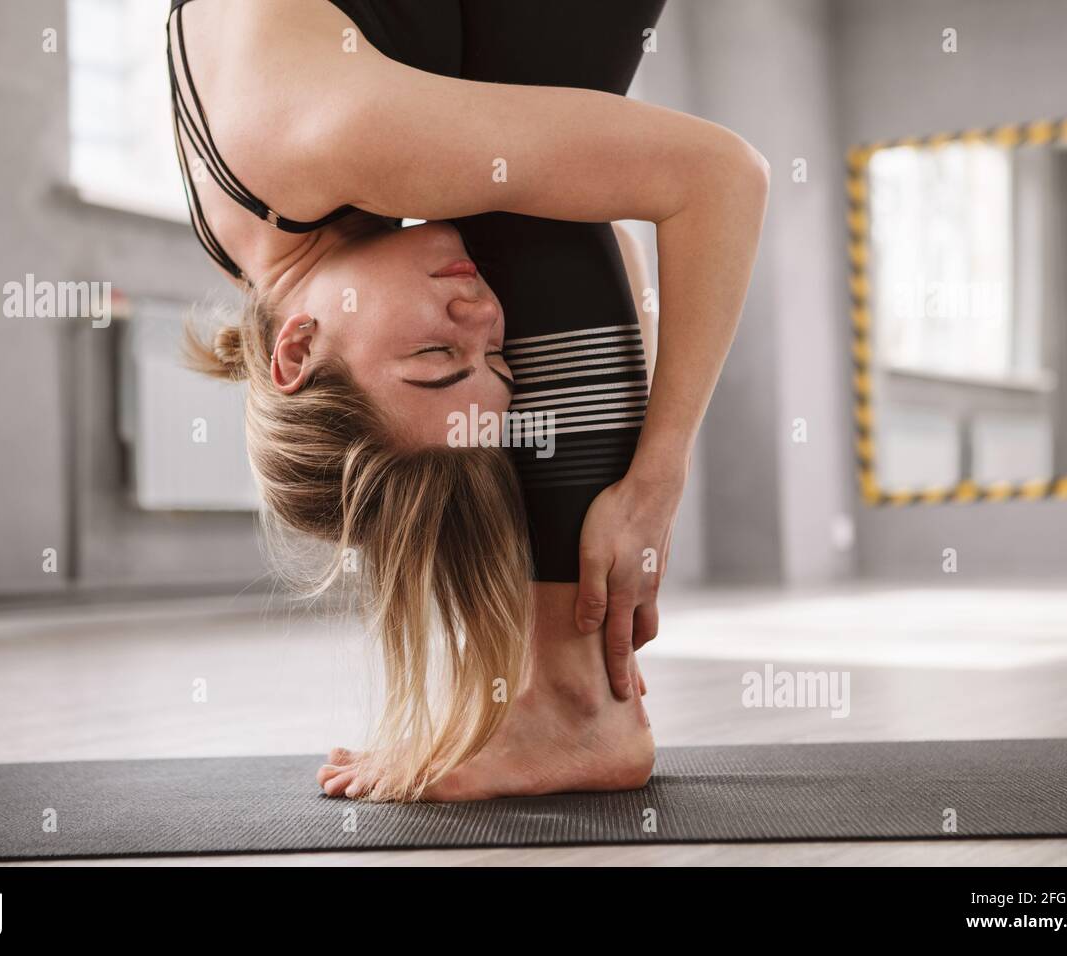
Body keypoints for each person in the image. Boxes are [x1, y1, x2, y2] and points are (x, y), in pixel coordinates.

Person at [167, 0, 769, 800]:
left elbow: (722, 175)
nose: (484, 318)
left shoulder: (341, 137)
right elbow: (602, 244)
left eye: (435, 357)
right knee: (521, 200)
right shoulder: (261, 224)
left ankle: (574, 702)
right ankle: (559, 694)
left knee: (510, 204)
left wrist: (656, 477)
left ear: (299, 348)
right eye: (497, 361)